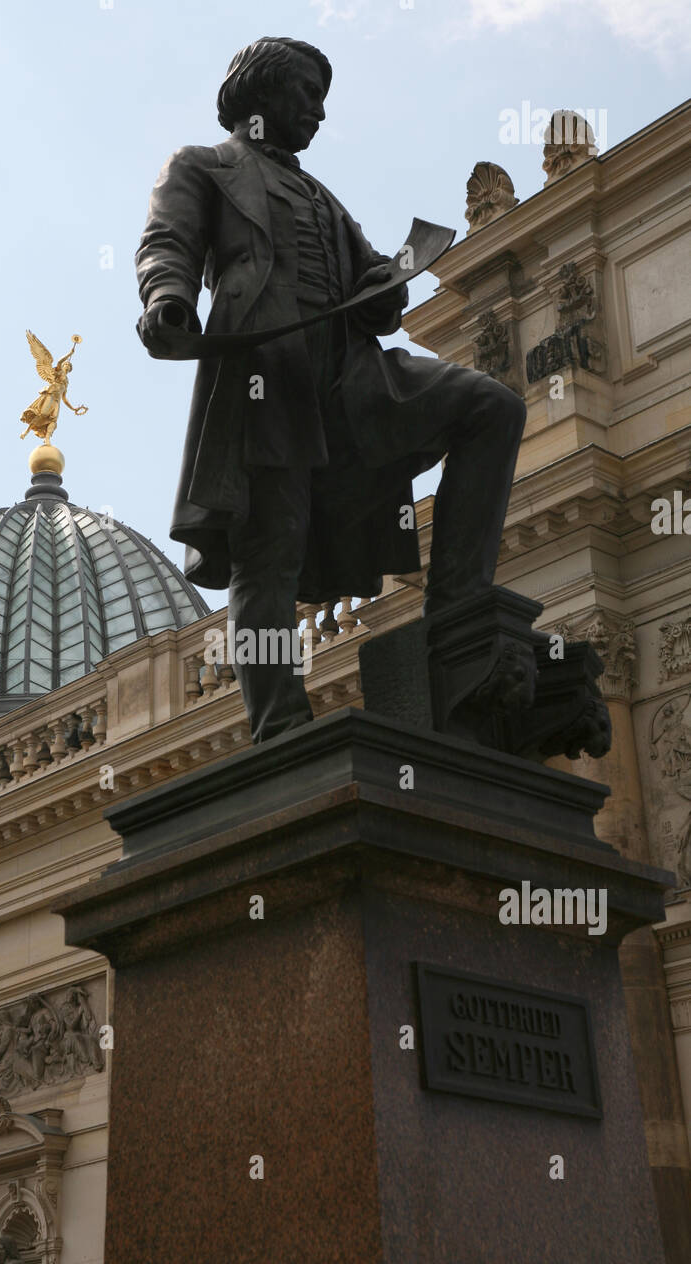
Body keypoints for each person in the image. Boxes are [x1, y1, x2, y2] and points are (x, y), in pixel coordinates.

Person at [137, 36, 527, 743]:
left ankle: (457, 615)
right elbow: (167, 244)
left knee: (491, 406)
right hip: (265, 375)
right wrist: (167, 299)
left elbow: (374, 284)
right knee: (270, 547)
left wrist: (384, 285)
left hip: (349, 372)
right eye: (308, 94)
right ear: (261, 94)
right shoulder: (202, 167)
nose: (319, 111)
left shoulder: (321, 197)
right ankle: (279, 725)